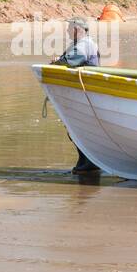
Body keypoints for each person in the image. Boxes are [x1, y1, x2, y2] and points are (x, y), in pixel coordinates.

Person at [53, 17, 101, 173]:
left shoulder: (83, 45)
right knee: (76, 129)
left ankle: (89, 163)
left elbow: (68, 61)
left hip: (85, 94)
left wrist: (56, 62)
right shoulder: (85, 43)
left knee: (77, 129)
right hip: (86, 93)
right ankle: (86, 161)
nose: (67, 31)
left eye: (69, 28)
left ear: (76, 29)